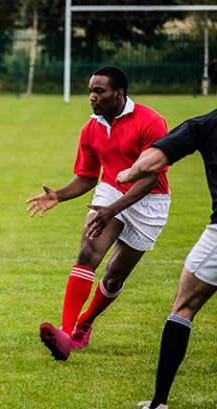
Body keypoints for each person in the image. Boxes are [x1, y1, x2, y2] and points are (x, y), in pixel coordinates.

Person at [25, 66, 171, 361]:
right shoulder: (90, 128)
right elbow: (88, 176)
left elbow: (149, 178)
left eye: (99, 91)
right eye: (90, 91)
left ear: (118, 93)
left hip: (150, 202)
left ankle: (86, 322)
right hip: (111, 190)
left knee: (114, 278)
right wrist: (59, 196)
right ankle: (65, 334)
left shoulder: (151, 121)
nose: (92, 97)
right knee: (88, 255)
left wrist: (112, 211)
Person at [120, 59, 217, 409]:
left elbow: (151, 163)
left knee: (184, 306)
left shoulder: (204, 125)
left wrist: (127, 173)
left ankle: (159, 402)